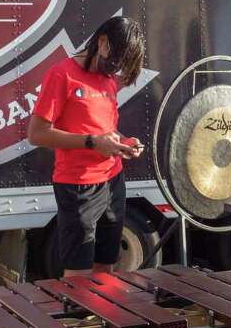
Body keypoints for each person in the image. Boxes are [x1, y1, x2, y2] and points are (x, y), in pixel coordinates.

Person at [28, 16, 146, 277]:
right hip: (77, 186)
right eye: (115, 63)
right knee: (78, 272)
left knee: (106, 263)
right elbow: (36, 134)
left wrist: (125, 143)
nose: (113, 72)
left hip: (113, 181)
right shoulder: (61, 74)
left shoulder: (107, 80)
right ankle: (81, 316)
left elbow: (106, 130)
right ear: (102, 43)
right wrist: (92, 142)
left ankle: (105, 316)